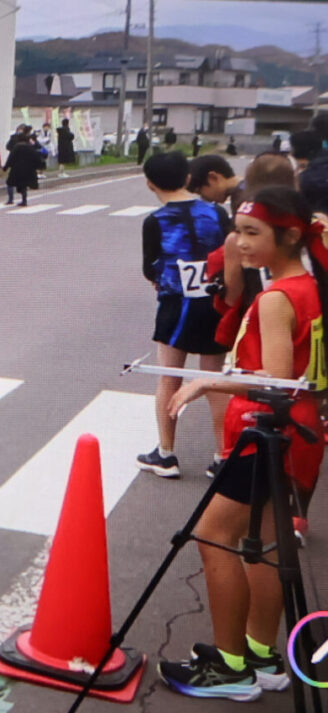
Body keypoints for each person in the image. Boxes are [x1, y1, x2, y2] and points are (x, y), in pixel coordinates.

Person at [160, 187, 326, 701]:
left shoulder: (278, 297)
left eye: (252, 233)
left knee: (214, 538)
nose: (240, 243)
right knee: (265, 548)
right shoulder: (311, 287)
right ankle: (261, 653)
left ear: (291, 235)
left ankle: (230, 666)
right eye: (237, 230)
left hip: (267, 433)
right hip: (299, 436)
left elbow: (278, 380)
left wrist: (209, 382)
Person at [136, 152, 230, 479]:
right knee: (215, 380)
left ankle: (166, 454)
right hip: (216, 302)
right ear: (188, 177)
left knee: (169, 376)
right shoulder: (217, 213)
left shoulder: (155, 221)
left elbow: (150, 267)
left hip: (177, 305)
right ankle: (222, 455)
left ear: (150, 184)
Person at [3, 134, 44, 207]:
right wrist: (39, 166)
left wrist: (5, 167)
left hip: (16, 169)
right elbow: (36, 157)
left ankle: (10, 199)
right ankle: (24, 200)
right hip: (28, 169)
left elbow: (11, 158)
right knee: (24, 185)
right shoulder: (30, 147)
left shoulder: (17, 147)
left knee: (10, 183)